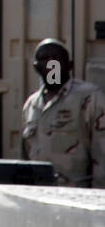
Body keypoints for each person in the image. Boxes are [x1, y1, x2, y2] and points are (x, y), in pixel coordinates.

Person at [21, 38, 105, 188]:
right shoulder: (31, 105)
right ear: (36, 67)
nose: (51, 64)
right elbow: (25, 155)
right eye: (45, 59)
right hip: (39, 194)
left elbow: (102, 152)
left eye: (56, 59)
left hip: (76, 195)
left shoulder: (88, 97)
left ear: (69, 65)